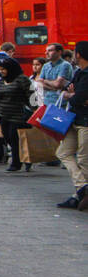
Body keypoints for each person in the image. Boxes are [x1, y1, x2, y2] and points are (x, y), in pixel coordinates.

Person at [53, 42, 88, 211]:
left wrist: (71, 94)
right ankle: (82, 187)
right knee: (63, 152)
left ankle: (79, 195)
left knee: (83, 159)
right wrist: (70, 93)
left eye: (75, 52)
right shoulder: (79, 72)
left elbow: (77, 98)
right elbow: (69, 91)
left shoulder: (86, 75)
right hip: (74, 119)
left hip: (85, 122)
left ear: (79, 54)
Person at [0, 58, 34, 173]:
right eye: (0, 69)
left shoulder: (22, 80)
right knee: (7, 137)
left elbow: (32, 96)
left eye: (3, 69)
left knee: (14, 138)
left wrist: (35, 111)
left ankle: (16, 163)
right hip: (3, 114)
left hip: (18, 115)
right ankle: (24, 158)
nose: (1, 72)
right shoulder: (1, 81)